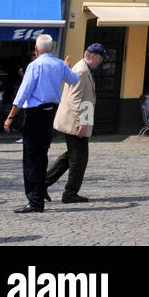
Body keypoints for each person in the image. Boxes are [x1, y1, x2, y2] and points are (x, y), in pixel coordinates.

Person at [4, 34, 80, 214]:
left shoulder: (35, 65)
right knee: (42, 156)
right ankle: (38, 195)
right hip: (49, 115)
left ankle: (35, 200)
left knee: (31, 158)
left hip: (35, 114)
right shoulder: (59, 64)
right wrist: (66, 68)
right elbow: (74, 80)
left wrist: (10, 117)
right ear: (52, 48)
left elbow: (23, 92)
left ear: (37, 49)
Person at [44, 43, 105, 203]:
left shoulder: (83, 69)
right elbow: (75, 99)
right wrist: (81, 122)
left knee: (72, 156)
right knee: (79, 159)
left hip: (78, 119)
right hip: (74, 121)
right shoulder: (82, 70)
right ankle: (69, 193)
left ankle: (43, 184)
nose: (101, 61)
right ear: (92, 55)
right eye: (100, 57)